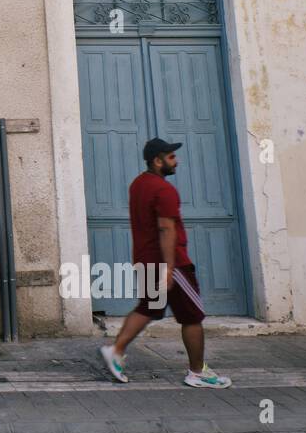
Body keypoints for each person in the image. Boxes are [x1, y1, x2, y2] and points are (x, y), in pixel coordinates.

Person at [100, 138, 233, 389]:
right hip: (171, 263)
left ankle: (115, 350)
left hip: (145, 259)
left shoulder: (138, 184)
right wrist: (170, 268)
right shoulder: (164, 190)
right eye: (171, 157)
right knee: (192, 317)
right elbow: (165, 228)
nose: (177, 161)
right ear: (157, 161)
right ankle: (197, 372)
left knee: (148, 308)